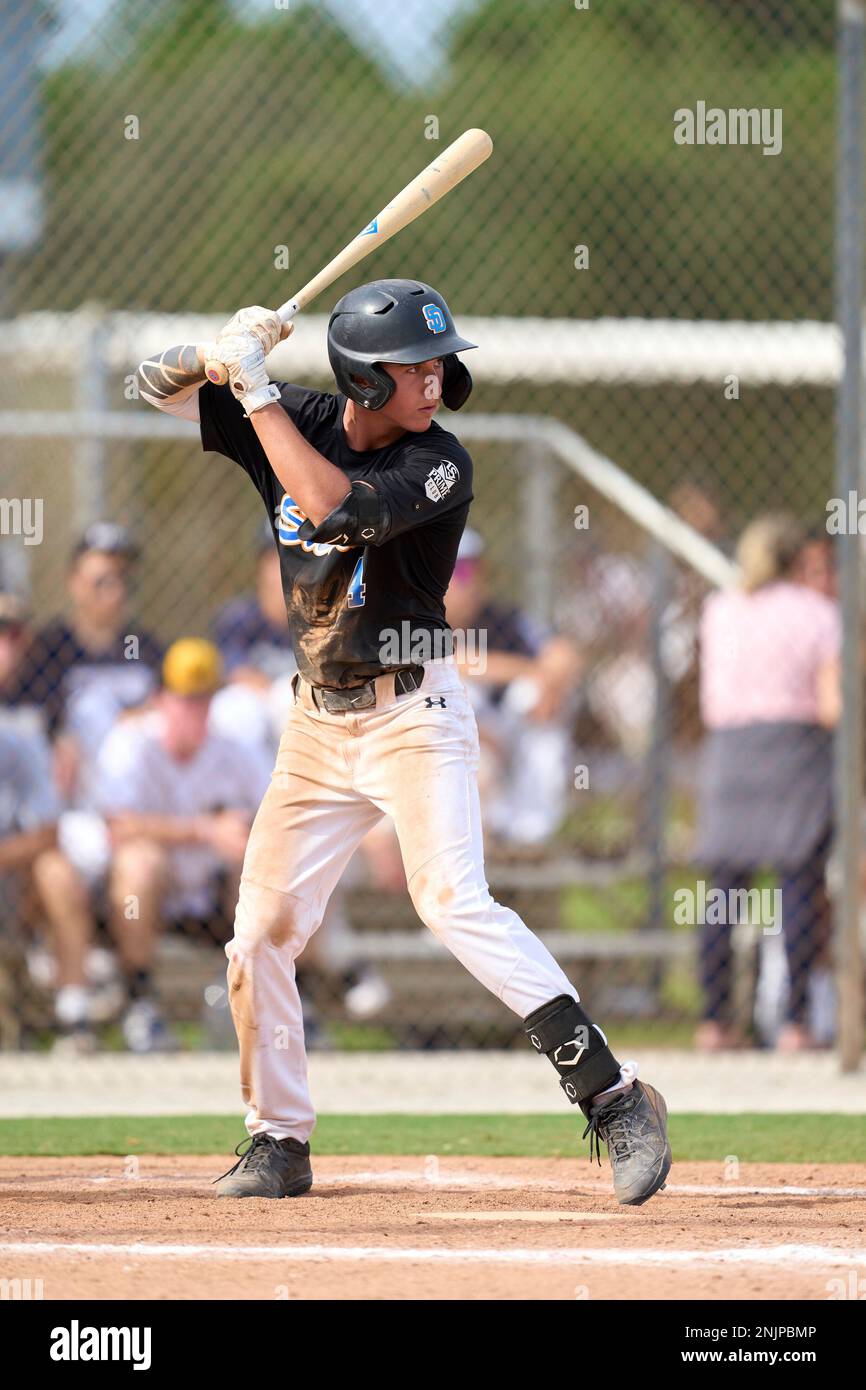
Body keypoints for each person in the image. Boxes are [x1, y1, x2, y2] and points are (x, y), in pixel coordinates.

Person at [138, 282, 671, 1204]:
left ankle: (614, 1097)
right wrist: (219, 350)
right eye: (414, 368)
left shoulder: (440, 464)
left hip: (412, 712)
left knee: (452, 901)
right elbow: (155, 387)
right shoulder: (294, 414)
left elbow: (335, 507)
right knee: (257, 934)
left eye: (436, 364)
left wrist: (256, 392)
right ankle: (278, 1140)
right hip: (315, 722)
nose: (435, 380)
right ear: (360, 376)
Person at [695, 515, 840, 1051]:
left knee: (723, 892)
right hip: (795, 750)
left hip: (729, 753)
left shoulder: (720, 609)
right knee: (799, 882)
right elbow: (831, 707)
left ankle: (714, 1021)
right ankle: (795, 1025)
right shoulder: (820, 615)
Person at [92, 638, 271, 1051]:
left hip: (211, 896)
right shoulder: (132, 740)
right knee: (139, 861)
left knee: (269, 861)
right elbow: (117, 826)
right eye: (185, 699)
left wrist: (245, 831)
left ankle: (288, 999)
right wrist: (204, 830)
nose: (196, 711)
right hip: (144, 896)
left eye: (204, 699)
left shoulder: (231, 748)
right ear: (159, 699)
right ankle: (140, 1002)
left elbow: (274, 815)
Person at [445, 528, 581, 845]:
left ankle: (531, 835)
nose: (469, 581)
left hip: (507, 735)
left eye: (473, 570)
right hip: (460, 741)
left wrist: (550, 684)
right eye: (458, 571)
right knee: (461, 691)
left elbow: (564, 655)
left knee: (534, 697)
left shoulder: (501, 619)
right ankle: (491, 833)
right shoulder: (417, 622)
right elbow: (457, 662)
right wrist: (532, 671)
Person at [19, 524, 162, 806]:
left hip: (138, 783)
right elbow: (38, 717)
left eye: (122, 579)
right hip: (74, 785)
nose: (115, 591)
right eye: (101, 581)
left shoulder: (140, 646)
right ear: (74, 582)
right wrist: (58, 736)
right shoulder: (51, 647)